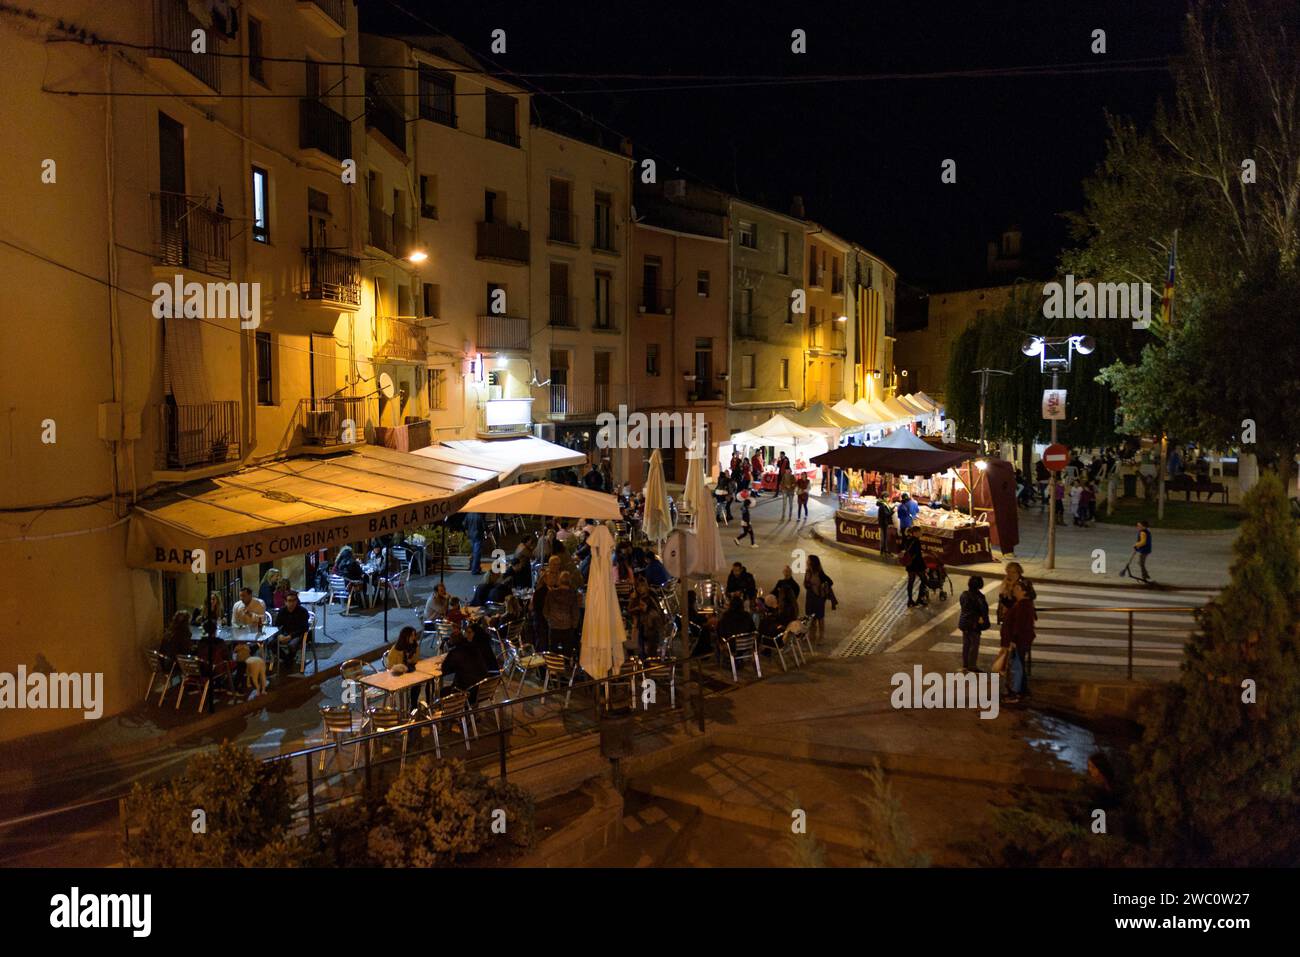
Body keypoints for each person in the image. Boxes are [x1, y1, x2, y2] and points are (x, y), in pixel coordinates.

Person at [1000, 580, 1036, 702]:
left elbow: (1020, 626)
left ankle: (1014, 694)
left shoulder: (1023, 605)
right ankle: (1022, 691)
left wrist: (1013, 641)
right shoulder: (1022, 603)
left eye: (1017, 588)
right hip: (1021, 641)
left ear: (1023, 591)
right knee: (1019, 666)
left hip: (1019, 642)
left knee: (1015, 668)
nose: (1014, 590)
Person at [440, 629, 490, 702]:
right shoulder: (475, 648)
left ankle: (449, 711)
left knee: (442, 692)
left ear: (452, 641)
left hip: (467, 693)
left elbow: (444, 669)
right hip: (483, 690)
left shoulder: (455, 653)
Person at [627, 577, 668, 659]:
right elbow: (631, 610)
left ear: (646, 586)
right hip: (645, 628)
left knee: (649, 649)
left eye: (642, 586)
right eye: (638, 586)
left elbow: (645, 609)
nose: (640, 588)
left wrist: (639, 606)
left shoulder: (649, 597)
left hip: (652, 628)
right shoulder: (640, 597)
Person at [543, 571, 581, 655]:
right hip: (567, 627)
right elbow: (575, 613)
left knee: (553, 652)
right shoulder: (572, 595)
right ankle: (566, 666)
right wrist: (574, 626)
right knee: (567, 652)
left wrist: (550, 620)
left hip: (554, 627)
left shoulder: (551, 593)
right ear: (570, 582)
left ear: (559, 581)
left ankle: (555, 667)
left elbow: (545, 611)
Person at [957, 576, 990, 672]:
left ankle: (965, 665)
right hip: (974, 624)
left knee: (966, 644)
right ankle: (972, 665)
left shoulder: (964, 595)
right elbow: (983, 611)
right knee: (974, 645)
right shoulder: (980, 597)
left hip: (964, 622)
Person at [803, 555, 837, 644]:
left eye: (808, 560)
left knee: (820, 618)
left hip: (818, 598)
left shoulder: (820, 573)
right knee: (811, 617)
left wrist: (822, 589)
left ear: (812, 562)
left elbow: (830, 582)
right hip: (810, 597)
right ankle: (812, 635)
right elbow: (806, 584)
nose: (806, 561)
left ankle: (821, 637)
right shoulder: (808, 572)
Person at [273, 591, 311, 668]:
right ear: (285, 602)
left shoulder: (302, 611)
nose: (292, 603)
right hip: (286, 633)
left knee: (292, 645)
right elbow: (276, 625)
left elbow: (304, 628)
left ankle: (289, 660)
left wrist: (290, 636)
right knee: (271, 644)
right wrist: (279, 635)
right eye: (290, 600)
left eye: (294, 600)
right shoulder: (282, 611)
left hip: (299, 634)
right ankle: (287, 659)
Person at [901, 527, 928, 607]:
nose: (921, 533)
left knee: (911, 581)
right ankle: (919, 599)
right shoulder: (916, 541)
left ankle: (910, 600)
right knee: (924, 580)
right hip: (917, 564)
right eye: (920, 532)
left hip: (910, 564)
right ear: (915, 532)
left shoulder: (907, 539)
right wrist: (925, 566)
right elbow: (917, 555)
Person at [464, 511, 486, 575]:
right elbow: (484, 526)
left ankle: (477, 568)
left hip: (470, 535)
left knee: (474, 553)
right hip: (478, 536)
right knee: (477, 554)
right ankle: (474, 570)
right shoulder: (480, 515)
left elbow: (464, 524)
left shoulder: (468, 514)